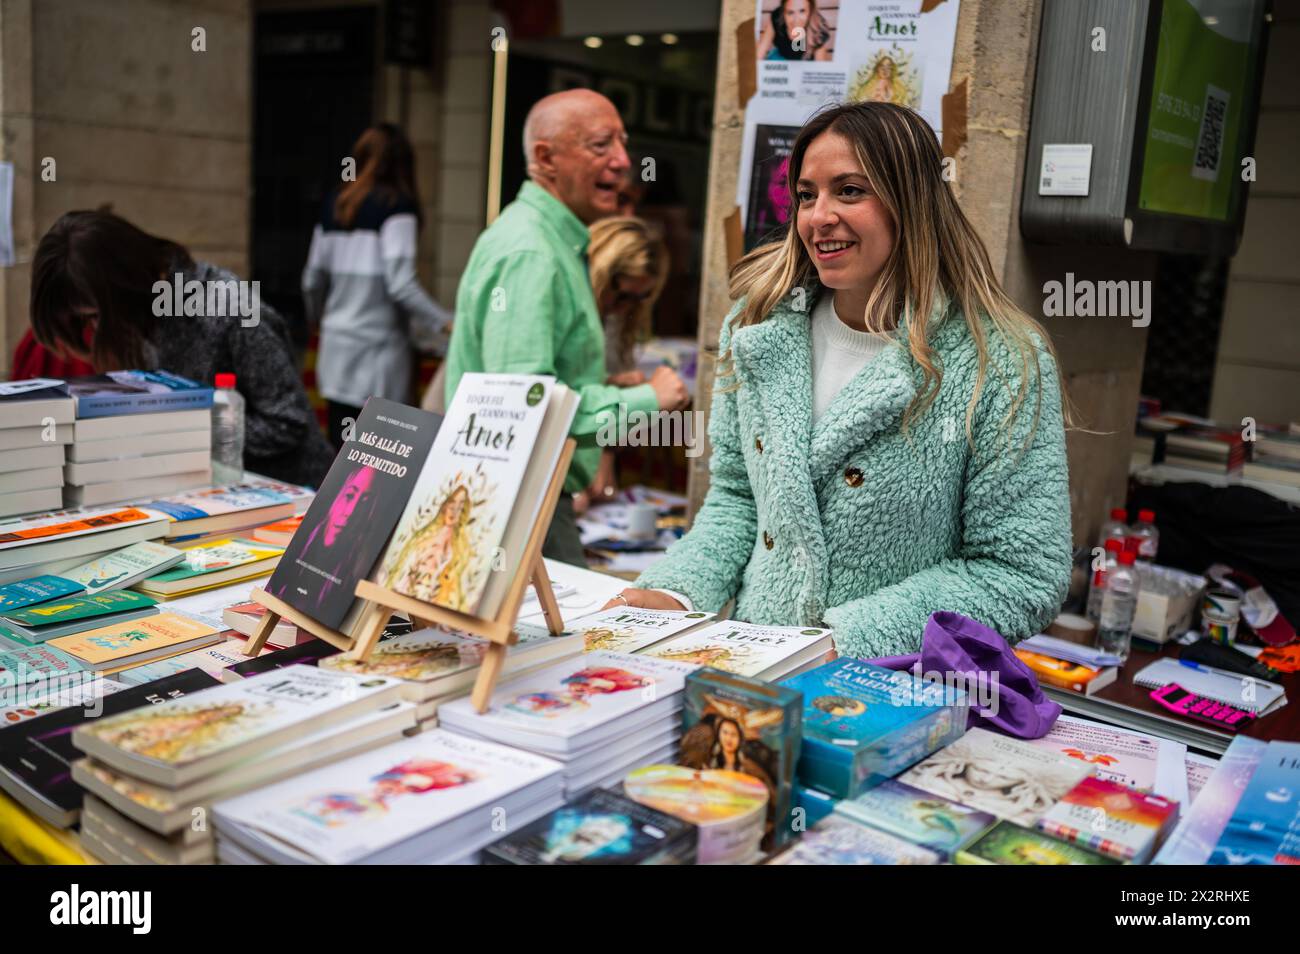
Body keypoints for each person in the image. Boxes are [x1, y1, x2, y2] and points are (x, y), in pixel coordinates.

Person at [605, 102, 1073, 658]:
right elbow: (736, 499)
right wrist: (673, 591)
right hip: (752, 673)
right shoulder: (756, 326)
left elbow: (1020, 572)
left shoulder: (1000, 360)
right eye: (807, 195)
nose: (818, 216)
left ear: (911, 203)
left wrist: (840, 640)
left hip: (888, 698)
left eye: (849, 190)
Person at [444, 89, 689, 566]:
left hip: (525, 496)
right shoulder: (532, 252)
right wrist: (645, 399)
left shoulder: (548, 242)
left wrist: (598, 389)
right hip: (516, 501)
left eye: (622, 143)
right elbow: (520, 407)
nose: (622, 161)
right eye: (601, 145)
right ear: (545, 158)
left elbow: (533, 387)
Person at [29, 210, 334, 487]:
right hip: (208, 488)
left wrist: (182, 430)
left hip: (293, 495)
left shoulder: (230, 310)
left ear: (124, 288)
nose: (92, 329)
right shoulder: (147, 316)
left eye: (93, 316)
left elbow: (288, 422)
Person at [302, 123, 452, 448]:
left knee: (341, 450)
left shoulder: (334, 205)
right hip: (378, 355)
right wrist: (446, 321)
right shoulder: (398, 208)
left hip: (337, 349)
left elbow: (311, 279)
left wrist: (320, 318)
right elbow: (401, 285)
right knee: (379, 455)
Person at [578, 216, 671, 510]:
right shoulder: (571, 308)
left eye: (640, 298)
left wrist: (617, 389)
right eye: (621, 294)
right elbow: (549, 392)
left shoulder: (617, 318)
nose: (625, 307)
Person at [756, 0, 833, 63]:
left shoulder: (819, 29)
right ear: (783, 13)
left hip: (805, 66)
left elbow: (819, 71)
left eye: (802, 11)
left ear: (811, 10)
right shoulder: (777, 17)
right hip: (780, 58)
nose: (796, 21)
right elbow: (759, 54)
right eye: (790, 12)